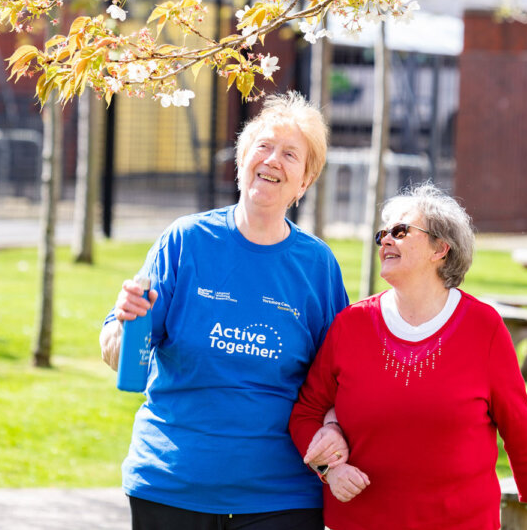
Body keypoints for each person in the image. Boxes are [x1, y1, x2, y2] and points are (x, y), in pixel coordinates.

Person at [100, 91, 351, 530]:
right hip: (173, 486)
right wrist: (124, 323)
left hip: (281, 494)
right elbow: (118, 355)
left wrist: (331, 430)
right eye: (263, 147)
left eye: (290, 154)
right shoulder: (186, 242)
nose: (273, 160)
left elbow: (338, 377)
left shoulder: (317, 266)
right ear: (241, 162)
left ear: (304, 182)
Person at [289, 183, 527, 530]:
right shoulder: (351, 325)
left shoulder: (484, 328)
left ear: (441, 248)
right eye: (383, 234)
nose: (386, 240)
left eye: (401, 231)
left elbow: (521, 430)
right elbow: (305, 414)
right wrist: (330, 470)